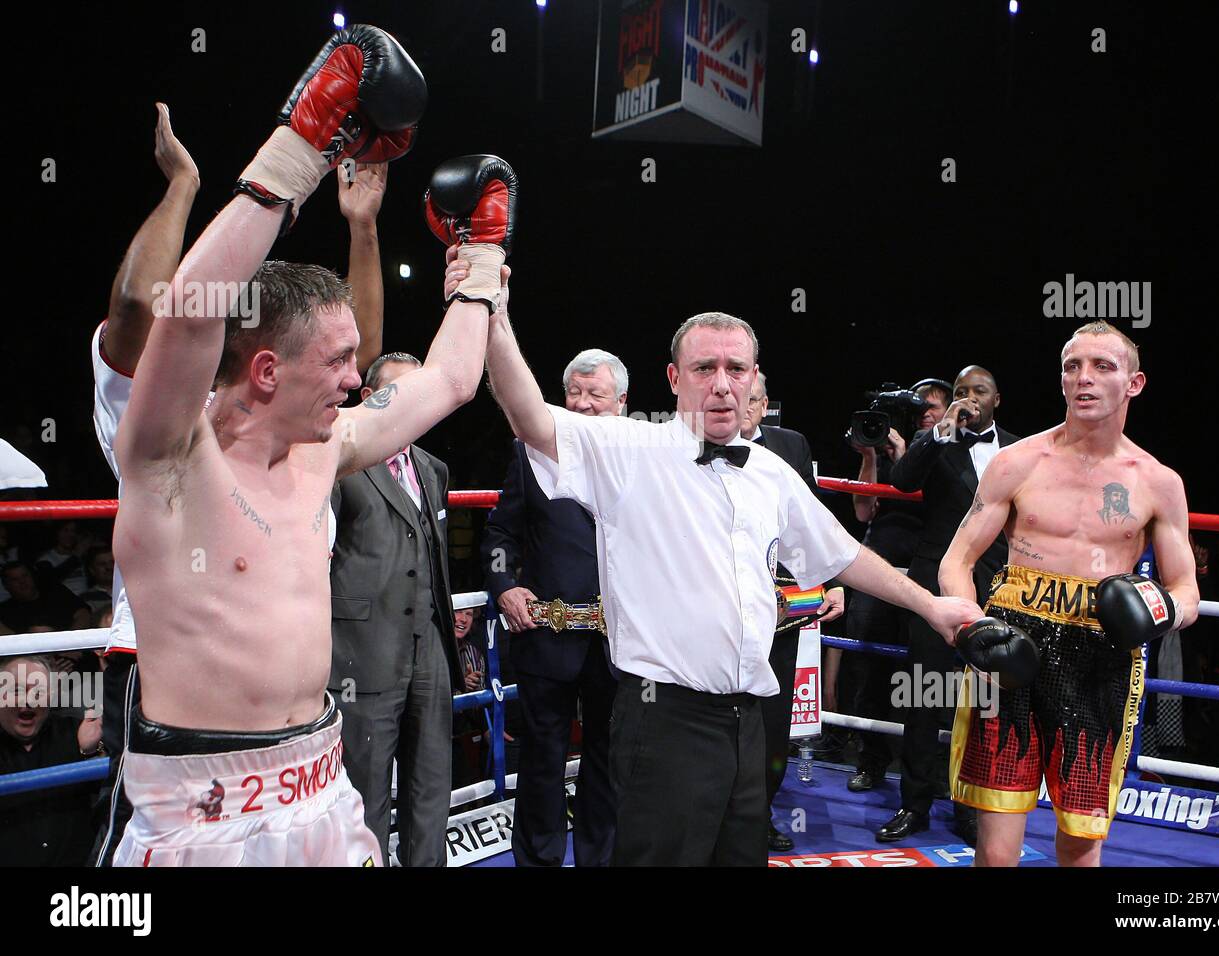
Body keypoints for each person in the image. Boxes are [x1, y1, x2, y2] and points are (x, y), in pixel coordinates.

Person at [111, 26, 512, 866]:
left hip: (324, 783)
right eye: (335, 361)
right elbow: (188, 311)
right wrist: (300, 153)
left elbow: (449, 384)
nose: (352, 381)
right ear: (264, 370)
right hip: (202, 807)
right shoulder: (171, 459)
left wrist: (479, 259)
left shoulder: (326, 448)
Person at [464, 266, 983, 865]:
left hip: (749, 720)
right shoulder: (631, 448)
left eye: (736, 369)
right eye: (704, 369)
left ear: (754, 379)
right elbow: (532, 417)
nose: (721, 385)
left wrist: (931, 604)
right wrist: (495, 314)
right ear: (674, 378)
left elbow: (844, 555)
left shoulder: (769, 471)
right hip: (663, 722)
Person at [86, 104, 391, 866]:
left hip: (298, 739)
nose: (347, 381)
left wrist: (360, 227)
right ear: (259, 366)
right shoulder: (163, 416)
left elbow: (359, 364)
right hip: (175, 696)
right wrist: (188, 185)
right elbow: (150, 311)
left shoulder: (309, 431)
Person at [940, 321, 1200, 867]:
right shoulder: (1017, 462)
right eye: (1072, 366)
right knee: (996, 846)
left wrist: (1156, 610)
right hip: (1011, 644)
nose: (1084, 378)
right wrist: (971, 629)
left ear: (1134, 383)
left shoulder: (1157, 482)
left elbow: (1186, 591)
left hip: (1099, 658)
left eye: (1102, 366)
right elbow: (956, 562)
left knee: (1082, 844)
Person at [480, 345, 625, 867]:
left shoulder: (642, 457)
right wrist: (502, 585)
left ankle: (599, 859)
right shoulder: (530, 450)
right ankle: (537, 862)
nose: (583, 404)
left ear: (622, 403)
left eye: (596, 395)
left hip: (621, 641)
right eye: (574, 393)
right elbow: (500, 532)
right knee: (542, 759)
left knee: (609, 761)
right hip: (548, 633)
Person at [328, 351, 463, 867]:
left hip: (429, 648)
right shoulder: (341, 462)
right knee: (364, 792)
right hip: (361, 655)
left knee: (431, 786)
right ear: (369, 400)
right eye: (400, 395)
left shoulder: (433, 469)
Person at [876, 367, 1017, 847]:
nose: (970, 398)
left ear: (997, 398)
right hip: (935, 583)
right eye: (961, 392)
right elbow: (900, 479)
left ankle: (971, 805)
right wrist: (940, 430)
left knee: (984, 700)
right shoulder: (936, 443)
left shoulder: (1019, 450)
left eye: (979, 391)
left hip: (999, 586)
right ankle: (913, 804)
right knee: (923, 693)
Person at [737, 370, 845, 851]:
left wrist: (834, 580)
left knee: (775, 713)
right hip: (719, 604)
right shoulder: (690, 449)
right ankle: (720, 810)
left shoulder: (790, 446)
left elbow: (813, 521)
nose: (742, 408)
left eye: (752, 400)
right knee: (723, 709)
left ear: (763, 407)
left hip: (782, 604)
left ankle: (759, 814)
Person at [842, 379, 949, 793]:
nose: (925, 411)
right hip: (879, 570)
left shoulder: (949, 459)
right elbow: (863, 511)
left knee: (926, 676)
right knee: (869, 666)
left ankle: (928, 769)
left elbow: (919, 489)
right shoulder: (885, 452)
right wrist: (870, 456)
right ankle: (870, 760)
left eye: (933, 405)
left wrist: (907, 454)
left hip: (926, 575)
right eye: (919, 406)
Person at [0, 656, 103, 865]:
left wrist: (90, 752)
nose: (28, 700)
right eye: (16, 690)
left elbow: (111, 798)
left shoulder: (76, 732)